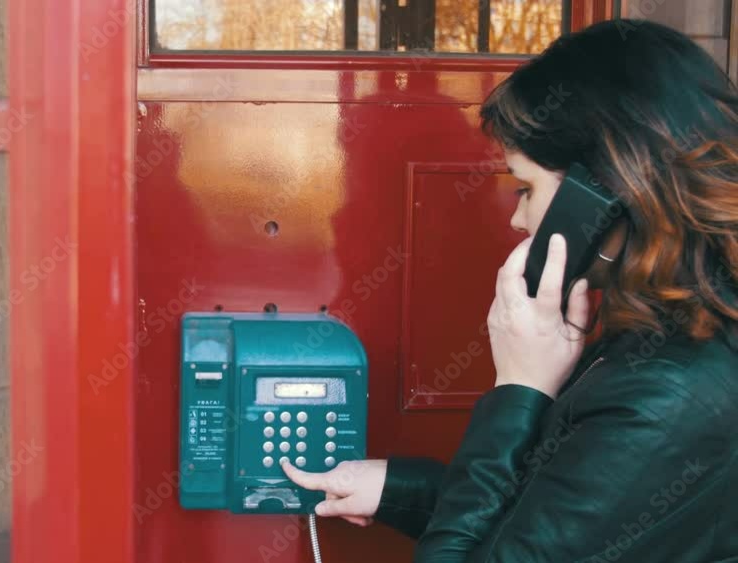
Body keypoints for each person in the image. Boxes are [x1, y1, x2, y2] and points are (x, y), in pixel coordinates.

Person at [280, 18, 738, 562]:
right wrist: (398, 490)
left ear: (607, 191)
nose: (518, 219)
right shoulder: (672, 334)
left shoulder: (667, 394)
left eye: (526, 189)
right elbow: (559, 518)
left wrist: (519, 387)